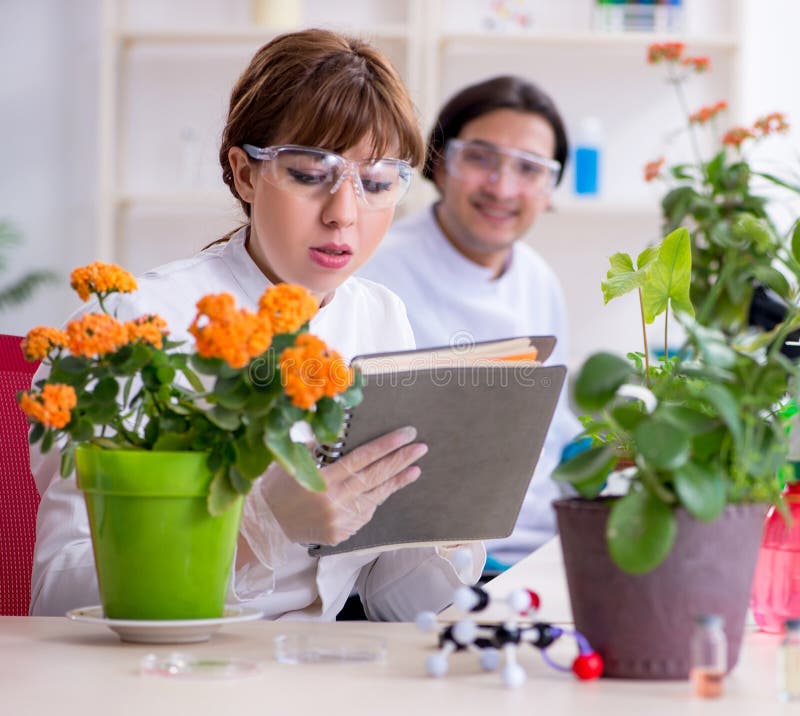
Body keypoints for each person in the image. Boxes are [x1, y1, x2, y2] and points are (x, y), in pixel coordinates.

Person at [29, 29, 484, 619]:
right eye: (309, 173)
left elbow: (388, 602)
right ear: (245, 174)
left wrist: (453, 520)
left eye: (375, 184)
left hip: (323, 668)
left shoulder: (380, 317)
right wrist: (259, 529)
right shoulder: (132, 324)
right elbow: (59, 594)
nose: (344, 213)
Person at [360, 75, 582, 567]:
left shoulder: (538, 279)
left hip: (550, 545)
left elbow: (558, 431)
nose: (502, 187)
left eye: (529, 169)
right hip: (435, 561)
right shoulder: (375, 274)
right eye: (480, 157)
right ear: (439, 163)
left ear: (548, 189)